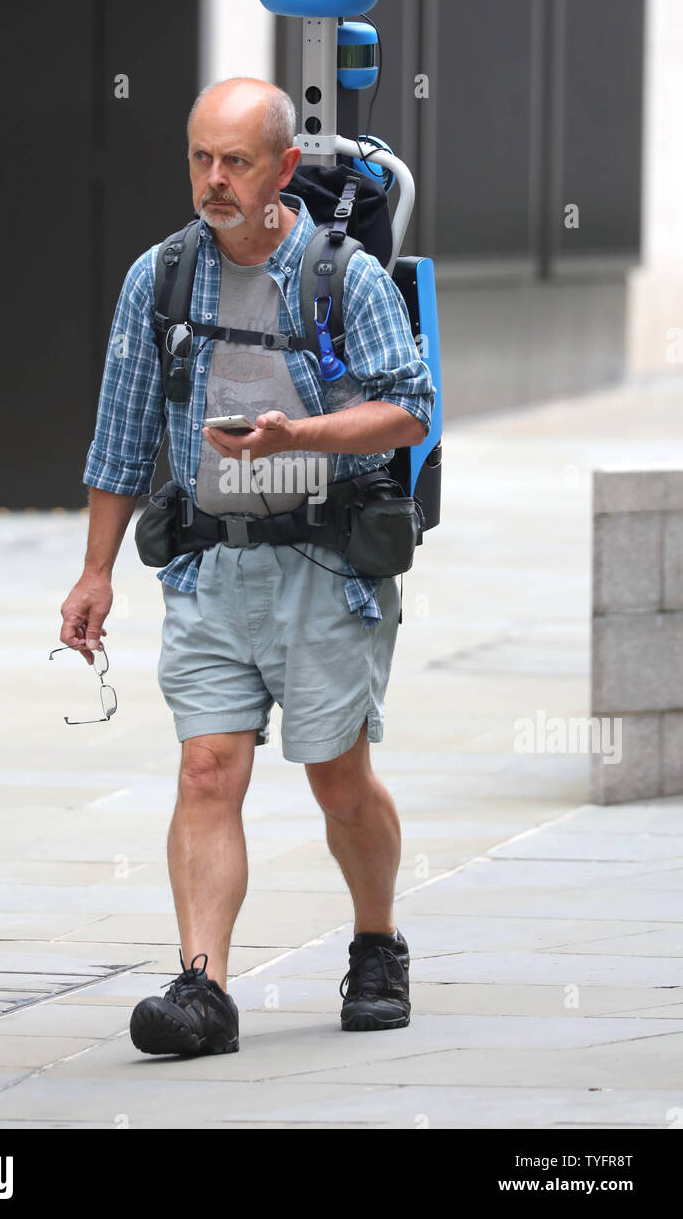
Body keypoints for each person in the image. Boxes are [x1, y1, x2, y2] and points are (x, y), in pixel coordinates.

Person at [60, 76, 436, 1057]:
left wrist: (296, 435)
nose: (213, 180)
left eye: (234, 161)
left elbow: (407, 407)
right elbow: (120, 438)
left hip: (326, 565)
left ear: (280, 168)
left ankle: (374, 942)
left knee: (338, 782)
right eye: (199, 158)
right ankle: (202, 989)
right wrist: (94, 574)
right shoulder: (161, 278)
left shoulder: (339, 275)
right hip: (208, 571)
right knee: (204, 771)